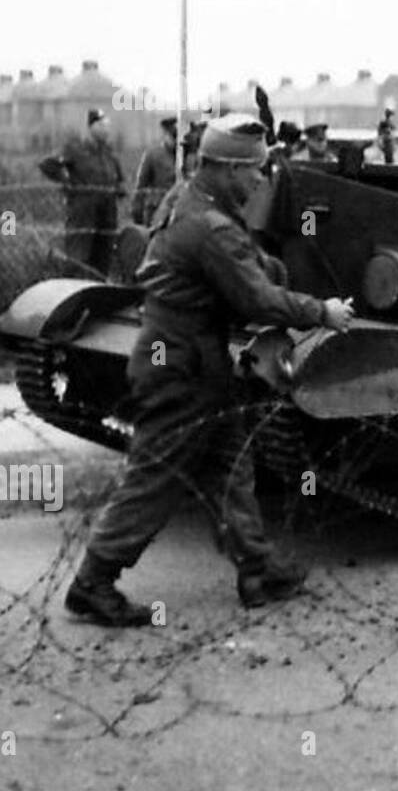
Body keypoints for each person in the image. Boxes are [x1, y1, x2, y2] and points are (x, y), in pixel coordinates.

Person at [63, 114, 356, 627]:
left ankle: (257, 568)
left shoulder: (188, 197)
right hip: (182, 365)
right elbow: (257, 299)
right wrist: (323, 311)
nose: (262, 179)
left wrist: (268, 269)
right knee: (156, 474)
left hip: (192, 358)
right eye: (256, 170)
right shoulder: (210, 225)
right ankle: (93, 581)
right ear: (227, 168)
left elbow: (242, 265)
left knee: (232, 462)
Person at [39, 108, 126, 277]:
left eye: (107, 125)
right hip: (82, 214)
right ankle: (74, 295)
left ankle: (97, 296)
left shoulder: (108, 153)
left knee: (102, 260)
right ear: (91, 127)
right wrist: (66, 181)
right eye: (101, 125)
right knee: (78, 260)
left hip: (107, 215)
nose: (105, 129)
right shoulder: (76, 150)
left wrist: (118, 189)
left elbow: (119, 179)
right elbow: (47, 164)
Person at [131, 117, 178, 227]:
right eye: (173, 136)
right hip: (157, 211)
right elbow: (141, 185)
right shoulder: (153, 155)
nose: (176, 141)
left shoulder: (185, 156)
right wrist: (137, 211)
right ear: (165, 134)